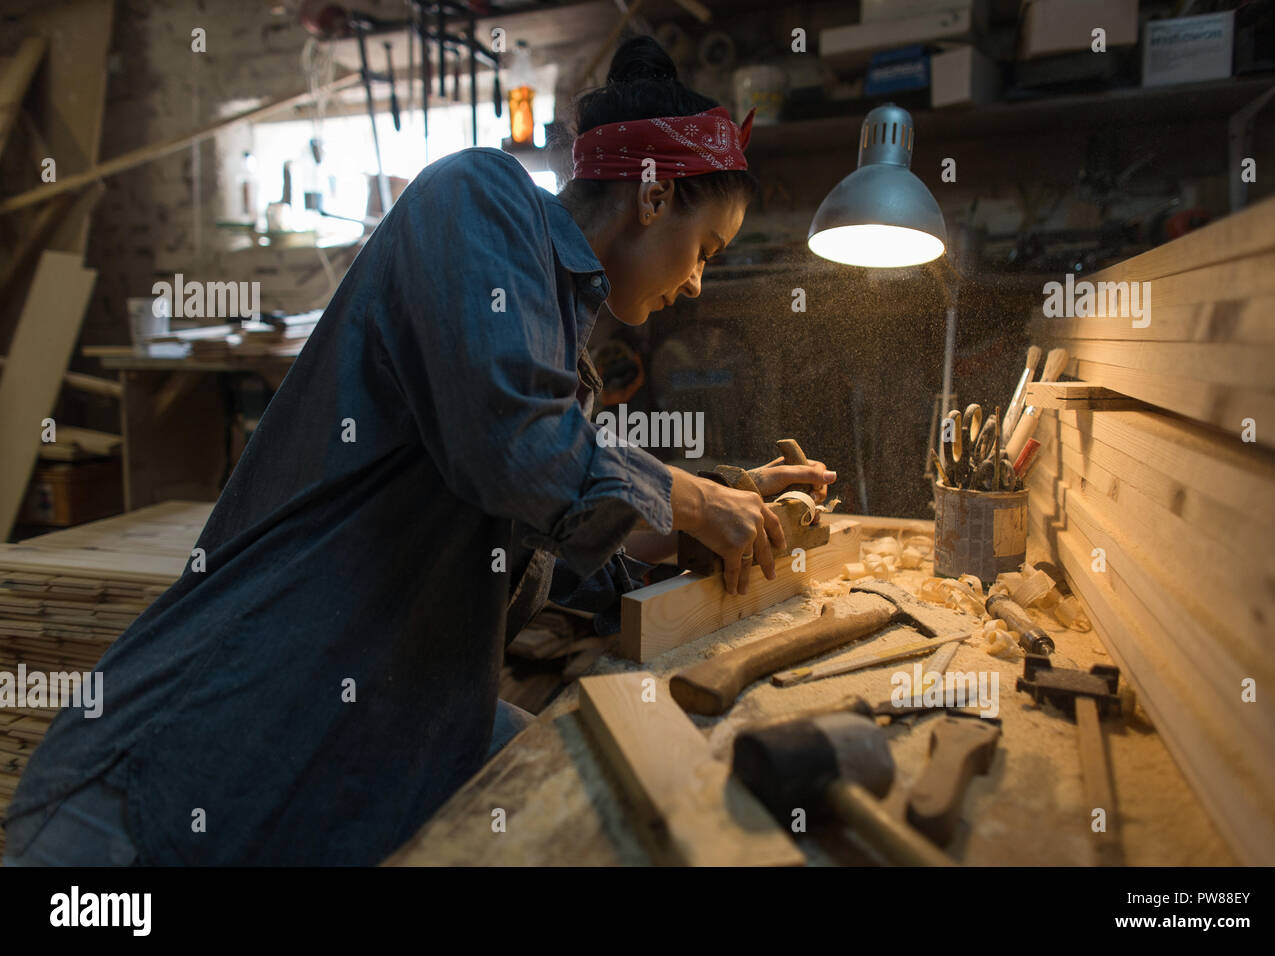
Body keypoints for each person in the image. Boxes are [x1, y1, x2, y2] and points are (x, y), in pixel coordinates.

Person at [1, 35, 835, 866]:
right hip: (172, 774)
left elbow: (554, 528)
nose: (695, 284)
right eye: (706, 252)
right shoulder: (477, 197)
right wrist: (693, 500)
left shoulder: (555, 353)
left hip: (345, 760)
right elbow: (518, 451)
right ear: (653, 198)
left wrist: (731, 496)